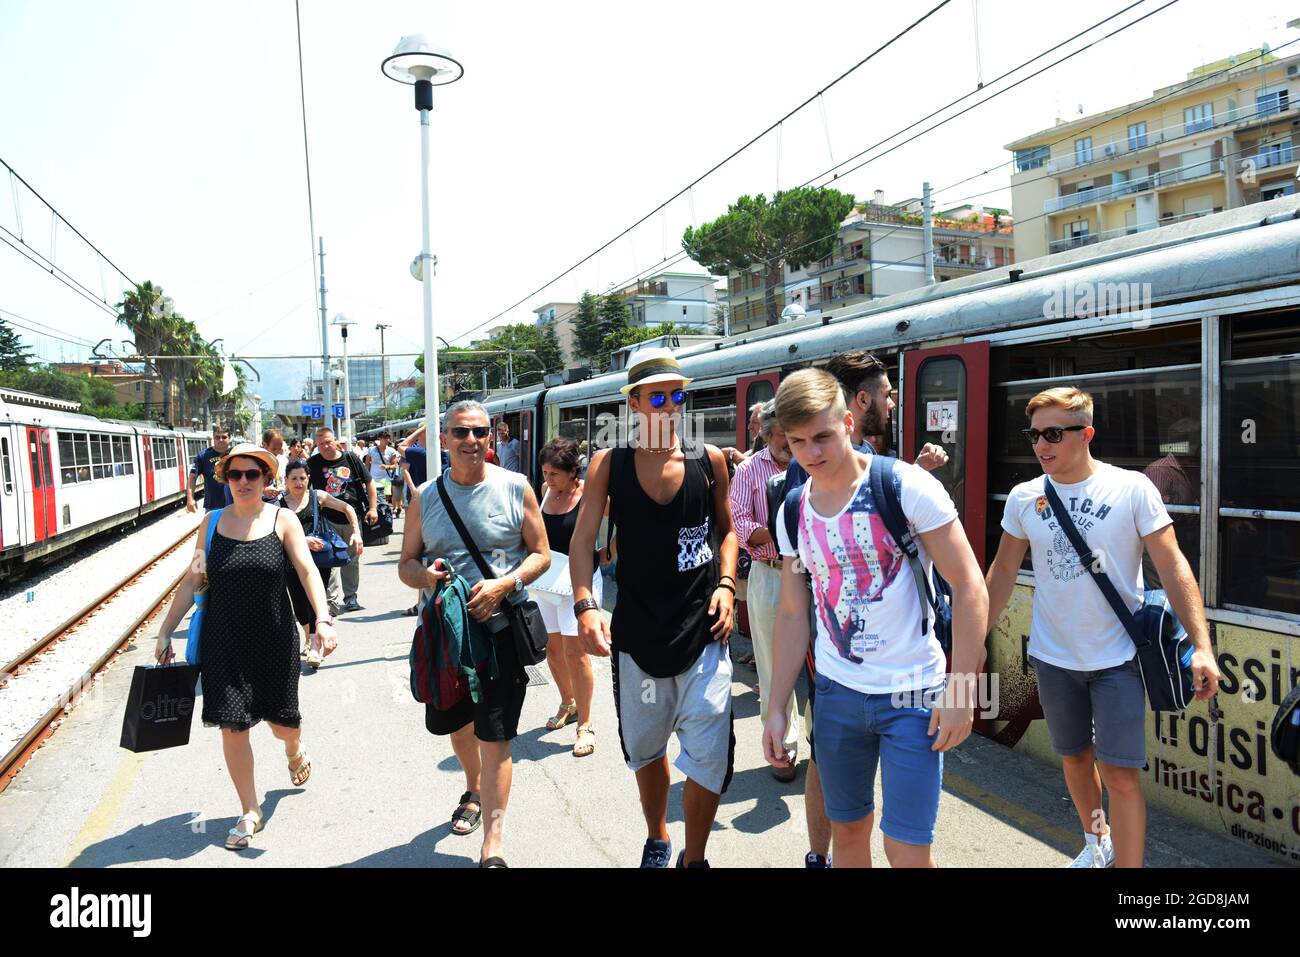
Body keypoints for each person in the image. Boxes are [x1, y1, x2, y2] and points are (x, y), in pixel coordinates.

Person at [985, 387, 1220, 869]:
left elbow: (1172, 565)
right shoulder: (1026, 497)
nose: (1041, 445)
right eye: (1034, 434)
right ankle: (1098, 842)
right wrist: (970, 645)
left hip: (1119, 659)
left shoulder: (1131, 489)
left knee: (1121, 775)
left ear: (1086, 433)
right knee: (1074, 759)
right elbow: (1003, 571)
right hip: (1053, 658)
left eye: (1054, 434)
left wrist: (1202, 645)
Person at [763, 369, 988, 868]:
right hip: (836, 694)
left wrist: (961, 689)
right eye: (797, 442)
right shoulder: (793, 510)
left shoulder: (905, 486)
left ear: (848, 422)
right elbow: (793, 612)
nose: (811, 453)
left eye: (822, 436)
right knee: (847, 834)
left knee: (906, 849)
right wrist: (776, 706)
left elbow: (970, 585)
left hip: (913, 693)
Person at [570, 346, 738, 868]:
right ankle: (658, 836)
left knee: (708, 754)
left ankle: (695, 857)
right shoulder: (611, 464)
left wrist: (727, 584)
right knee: (646, 749)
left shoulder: (709, 461)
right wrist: (585, 605)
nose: (669, 406)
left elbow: (728, 531)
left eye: (676, 396)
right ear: (635, 404)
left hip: (704, 631)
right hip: (638, 635)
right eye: (657, 397)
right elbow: (582, 541)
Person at [153, 443, 337, 850]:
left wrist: (322, 619)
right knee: (233, 726)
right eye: (234, 474)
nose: (242, 481)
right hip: (223, 643)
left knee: (282, 724)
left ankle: (294, 749)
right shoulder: (211, 523)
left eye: (252, 474)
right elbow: (194, 577)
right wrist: (165, 630)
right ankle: (250, 809)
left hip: (274, 639)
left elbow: (307, 571)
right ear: (225, 479)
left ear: (266, 478)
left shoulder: (282, 520)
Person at [397, 400, 550, 868]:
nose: (470, 440)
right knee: (459, 727)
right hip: (446, 638)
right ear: (444, 439)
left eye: (480, 432)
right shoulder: (426, 498)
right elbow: (406, 564)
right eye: (460, 432)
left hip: (500, 634)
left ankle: (493, 843)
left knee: (496, 736)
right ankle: (473, 786)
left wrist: (506, 583)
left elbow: (541, 553)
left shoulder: (516, 487)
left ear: (490, 437)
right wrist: (426, 577)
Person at [729, 401, 800, 782]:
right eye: (785, 435)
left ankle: (824, 745)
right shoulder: (748, 471)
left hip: (814, 573)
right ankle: (782, 748)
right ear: (767, 433)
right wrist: (787, 528)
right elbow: (740, 525)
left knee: (824, 662)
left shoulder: (814, 461)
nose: (792, 442)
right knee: (773, 666)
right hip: (771, 572)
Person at [537, 437, 601, 757]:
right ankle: (568, 702)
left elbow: (625, 524)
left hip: (580, 582)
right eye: (545, 473)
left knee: (576, 654)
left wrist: (609, 552)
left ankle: (585, 724)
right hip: (548, 582)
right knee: (553, 650)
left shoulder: (590, 493)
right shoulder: (546, 490)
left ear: (573, 471)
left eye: (554, 474)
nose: (548, 479)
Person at [279, 459, 363, 667]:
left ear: (308, 478)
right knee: (298, 603)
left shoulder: (318, 497)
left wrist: (356, 533)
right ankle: (309, 637)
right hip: (291, 561)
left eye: (302, 478)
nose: (299, 482)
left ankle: (315, 647)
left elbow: (348, 508)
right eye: (294, 478)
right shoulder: (278, 506)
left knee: (314, 601)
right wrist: (302, 541)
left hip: (318, 560)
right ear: (286, 480)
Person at [307, 428, 377, 614]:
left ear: (335, 441)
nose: (325, 446)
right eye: (321, 444)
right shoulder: (313, 463)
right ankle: (331, 602)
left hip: (352, 518)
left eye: (328, 442)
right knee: (329, 559)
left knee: (351, 559)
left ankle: (351, 597)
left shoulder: (350, 458)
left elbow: (369, 482)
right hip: (326, 519)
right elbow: (305, 488)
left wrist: (372, 508)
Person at [186, 425, 234, 512]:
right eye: (217, 437)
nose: (220, 440)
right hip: (213, 507)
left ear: (229, 438)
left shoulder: (236, 454)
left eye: (224, 437)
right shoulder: (203, 455)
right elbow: (192, 477)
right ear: (213, 438)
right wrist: (190, 499)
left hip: (235, 505)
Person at [367, 432, 401, 517]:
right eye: (385, 438)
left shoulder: (391, 451)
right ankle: (377, 513)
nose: (387, 440)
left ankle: (385, 513)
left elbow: (395, 466)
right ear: (380, 439)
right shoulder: (371, 450)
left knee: (386, 498)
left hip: (386, 479)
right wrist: (366, 477)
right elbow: (367, 464)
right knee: (374, 496)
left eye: (388, 438)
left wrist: (387, 467)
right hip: (373, 478)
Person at [262, 427, 289, 498]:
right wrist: (263, 490)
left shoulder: (283, 461)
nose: (277, 452)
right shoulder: (256, 463)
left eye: (279, 449)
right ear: (264, 445)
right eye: (274, 449)